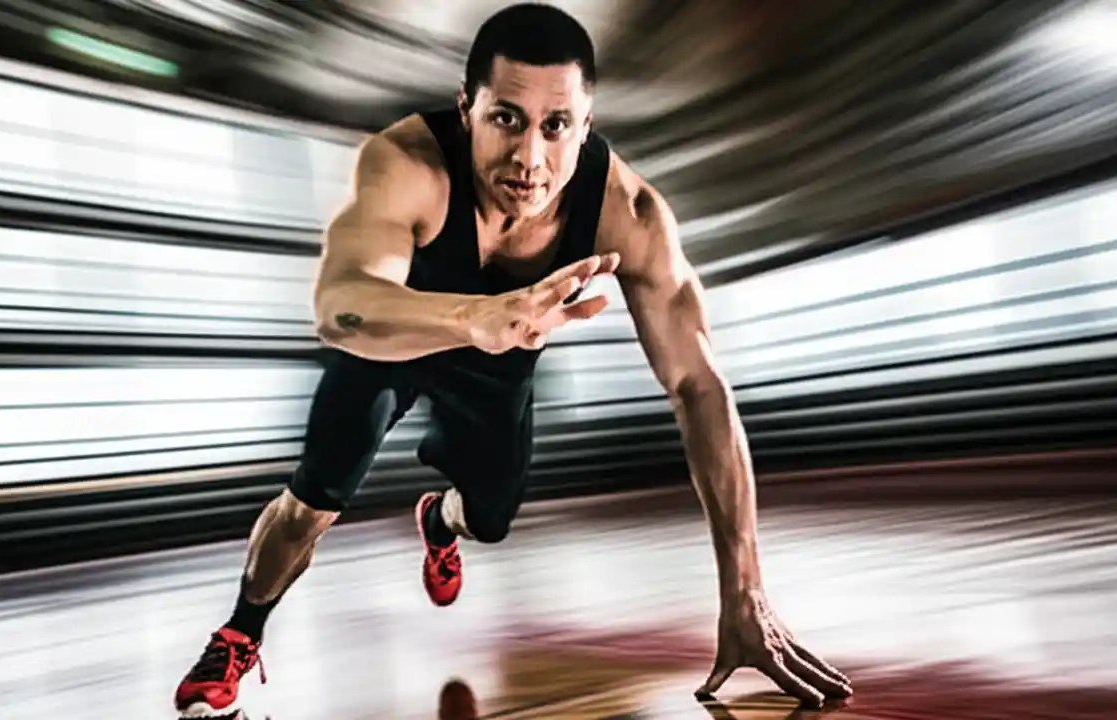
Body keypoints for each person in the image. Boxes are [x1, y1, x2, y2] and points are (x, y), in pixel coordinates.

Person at [174, 3, 853, 717]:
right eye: (506, 119)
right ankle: (237, 635)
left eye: (556, 127)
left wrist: (745, 591)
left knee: (492, 518)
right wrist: (473, 316)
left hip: (500, 353)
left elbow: (697, 383)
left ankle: (442, 521)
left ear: (585, 127)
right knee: (313, 500)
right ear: (468, 108)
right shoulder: (407, 163)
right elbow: (340, 303)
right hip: (394, 332)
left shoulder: (630, 211)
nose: (529, 159)